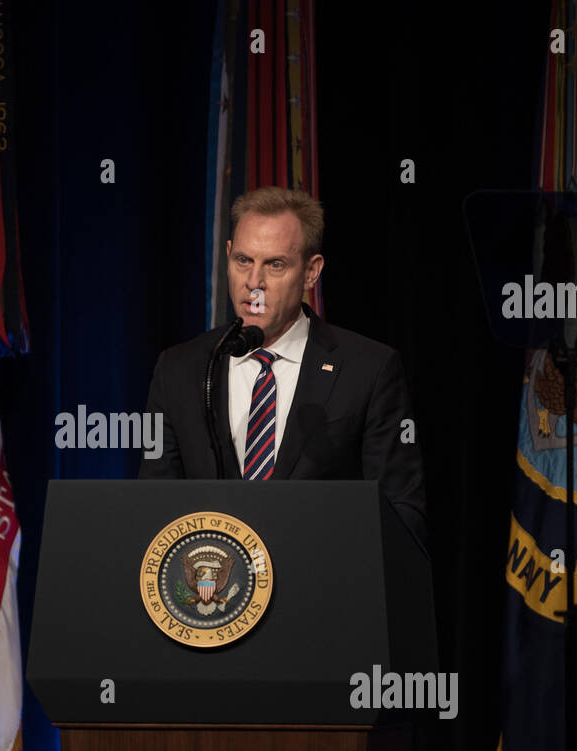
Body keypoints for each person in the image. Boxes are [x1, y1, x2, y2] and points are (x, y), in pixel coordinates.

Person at [138, 186, 427, 551]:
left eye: (275, 265)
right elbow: (152, 506)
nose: (254, 282)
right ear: (227, 255)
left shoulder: (369, 370)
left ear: (311, 272)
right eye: (243, 260)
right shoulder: (178, 369)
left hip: (324, 594)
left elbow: (402, 515)